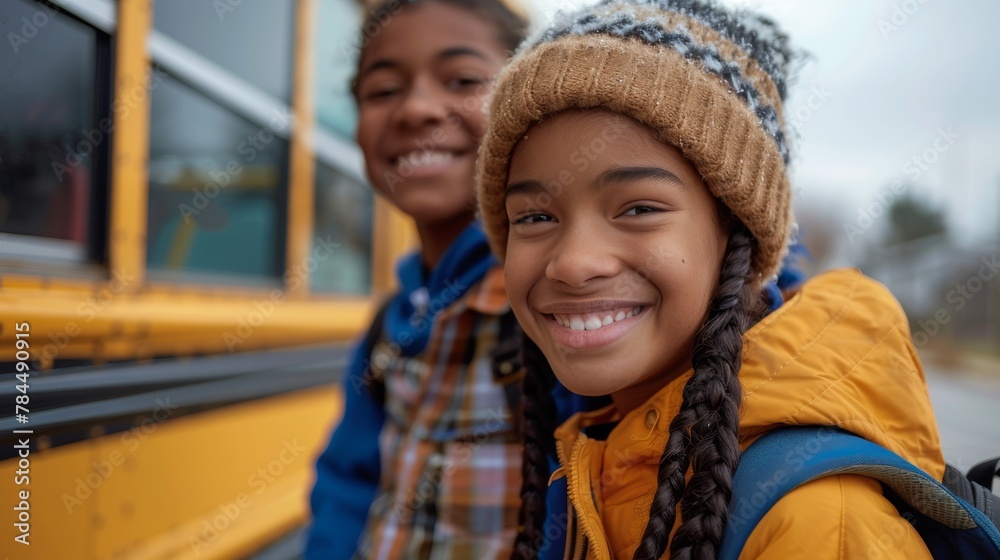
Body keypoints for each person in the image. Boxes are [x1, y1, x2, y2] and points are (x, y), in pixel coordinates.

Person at [475, 0, 946, 558]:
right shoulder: (594, 451)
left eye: (638, 209)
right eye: (534, 217)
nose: (574, 263)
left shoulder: (820, 524)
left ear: (736, 235)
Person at [304, 1, 602, 558]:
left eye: (462, 79)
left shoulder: (564, 303)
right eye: (383, 90)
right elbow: (349, 483)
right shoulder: (391, 324)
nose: (416, 107)